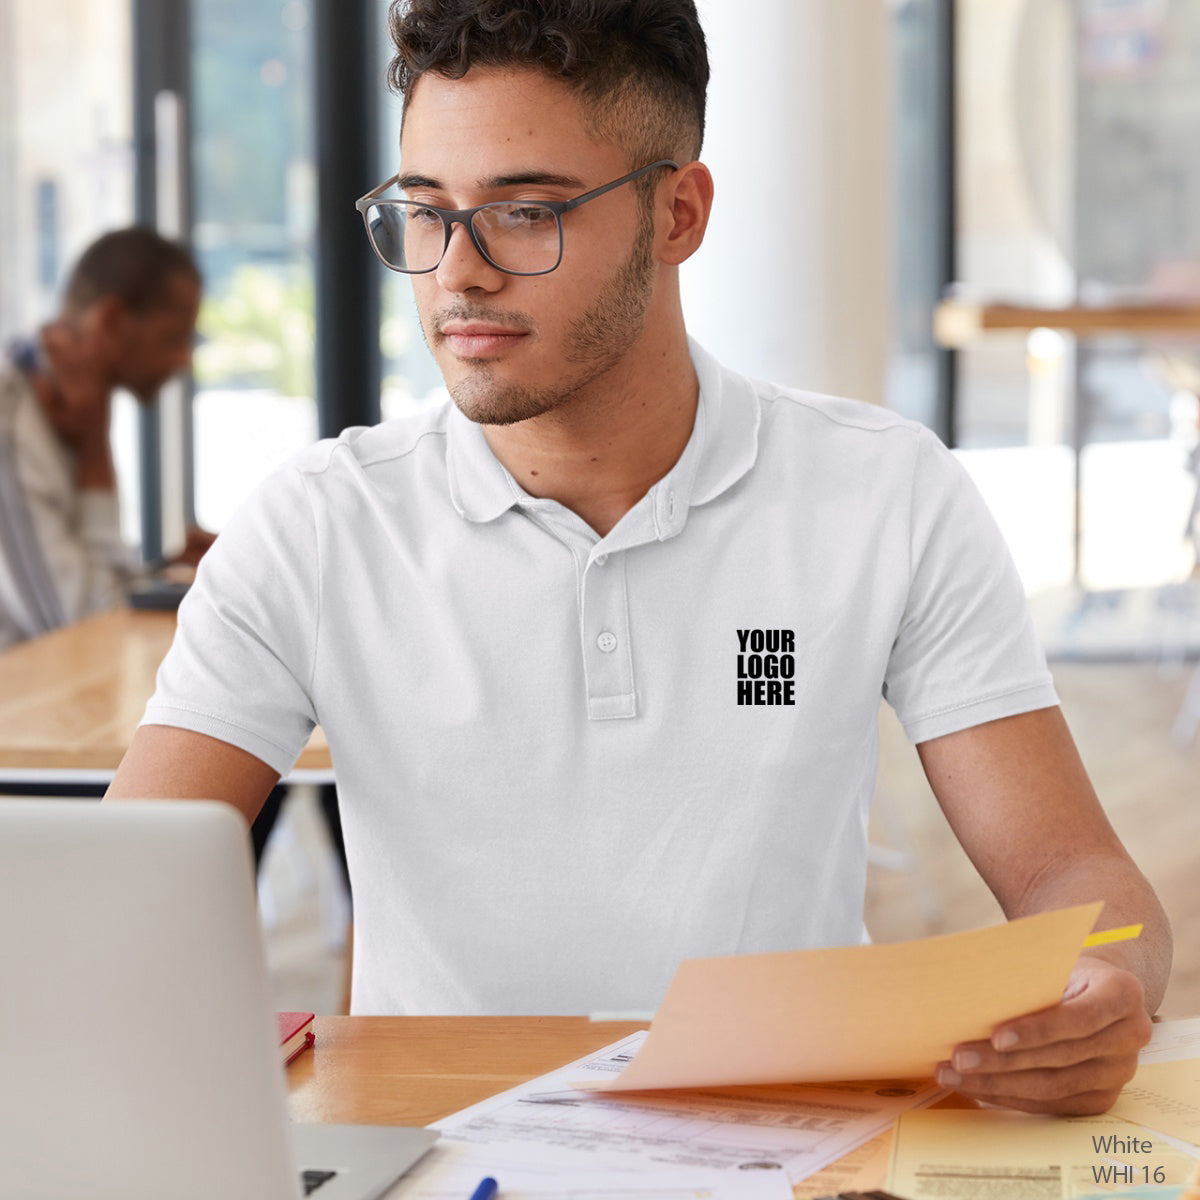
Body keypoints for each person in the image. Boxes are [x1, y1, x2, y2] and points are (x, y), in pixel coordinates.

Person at [108, 0, 1170, 1116]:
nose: (455, 275)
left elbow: (1076, 880)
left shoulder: (884, 494)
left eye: (523, 212)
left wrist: (1103, 991)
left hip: (788, 1142)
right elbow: (116, 894)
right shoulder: (315, 527)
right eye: (425, 213)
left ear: (678, 213)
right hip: (441, 1153)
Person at [0, 227, 206, 650]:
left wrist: (158, 574)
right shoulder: (11, 419)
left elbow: (93, 596)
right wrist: (95, 452)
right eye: (174, 337)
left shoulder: (77, 406)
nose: (185, 359)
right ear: (110, 320)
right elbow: (77, 627)